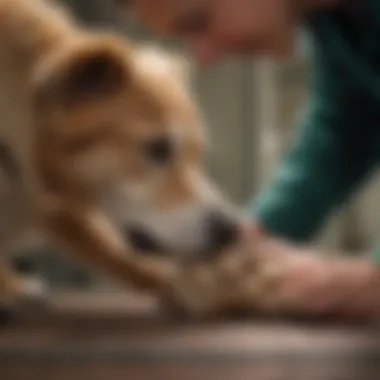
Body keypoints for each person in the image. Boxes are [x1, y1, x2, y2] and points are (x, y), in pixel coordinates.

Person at [119, 0, 380, 319]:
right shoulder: (339, 23)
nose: (204, 56)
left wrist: (367, 280)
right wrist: (259, 232)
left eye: (199, 21)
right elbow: (347, 126)